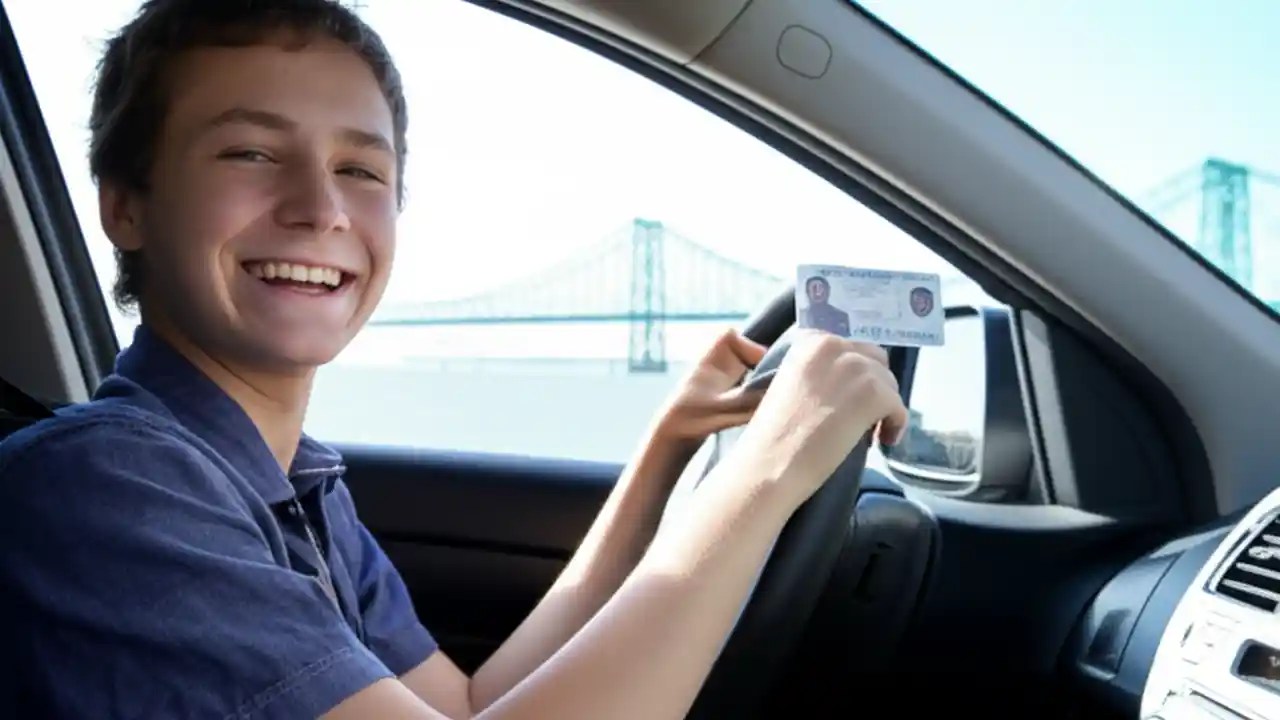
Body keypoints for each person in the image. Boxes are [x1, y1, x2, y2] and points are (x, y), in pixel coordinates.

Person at [0, 1, 908, 718]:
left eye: (362, 170)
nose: (321, 207)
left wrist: (669, 452)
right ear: (125, 205)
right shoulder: (102, 490)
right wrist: (766, 475)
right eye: (250, 151)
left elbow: (468, 703)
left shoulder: (293, 486)